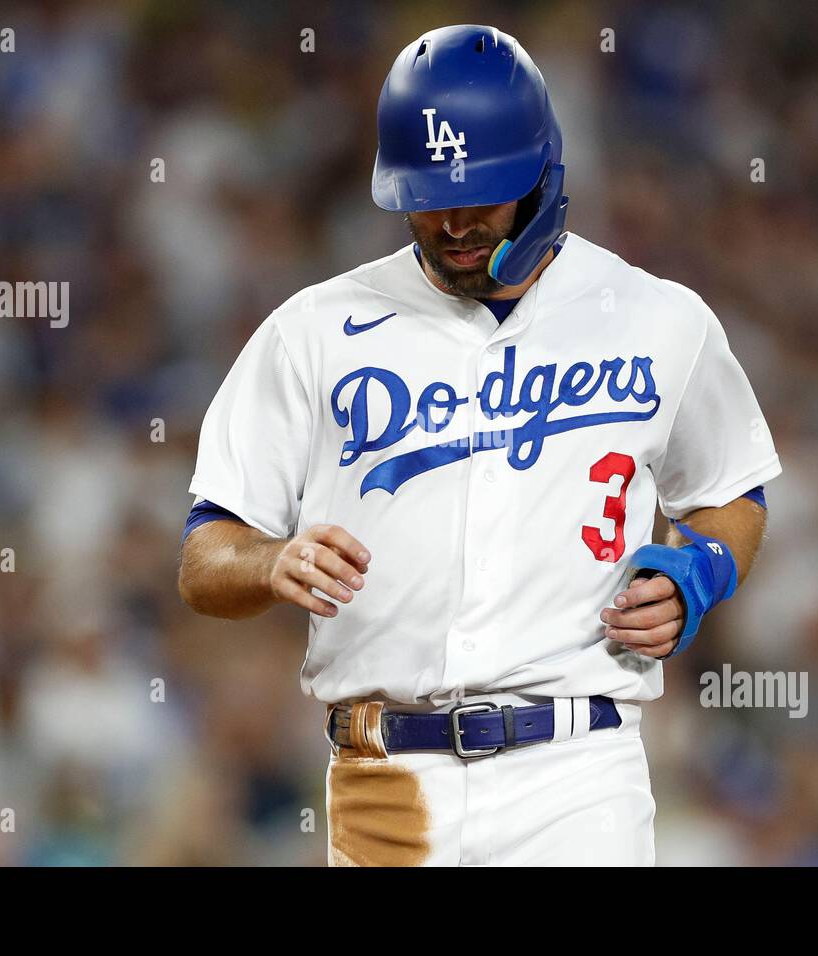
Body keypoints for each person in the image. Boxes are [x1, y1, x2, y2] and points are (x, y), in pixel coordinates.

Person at [178, 24, 781, 866]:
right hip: (385, 778)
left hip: (578, 771)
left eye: (482, 193)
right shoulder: (312, 332)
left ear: (542, 171)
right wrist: (269, 561)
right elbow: (206, 559)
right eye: (430, 197)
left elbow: (734, 492)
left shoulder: (657, 318)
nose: (455, 221)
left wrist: (703, 570)